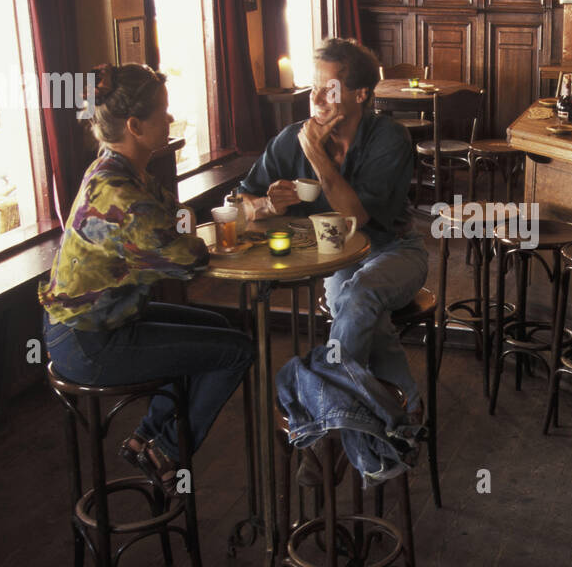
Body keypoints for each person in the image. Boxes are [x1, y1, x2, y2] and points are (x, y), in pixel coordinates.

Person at [39, 63, 253, 493]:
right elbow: (187, 258)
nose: (170, 119)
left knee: (218, 328)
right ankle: (167, 451)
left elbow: (173, 225)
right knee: (237, 350)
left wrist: (181, 232)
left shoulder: (115, 168)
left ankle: (144, 437)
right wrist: (201, 231)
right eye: (164, 112)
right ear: (135, 125)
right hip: (89, 343)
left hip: (102, 322)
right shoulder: (121, 197)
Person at [238, 38, 429, 420]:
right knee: (366, 317)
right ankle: (403, 412)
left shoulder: (390, 138)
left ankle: (319, 406)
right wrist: (265, 204)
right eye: (314, 86)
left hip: (395, 251)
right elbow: (244, 199)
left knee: (357, 297)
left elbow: (356, 218)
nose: (316, 97)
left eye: (330, 89)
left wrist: (315, 155)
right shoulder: (291, 138)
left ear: (360, 94)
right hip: (338, 258)